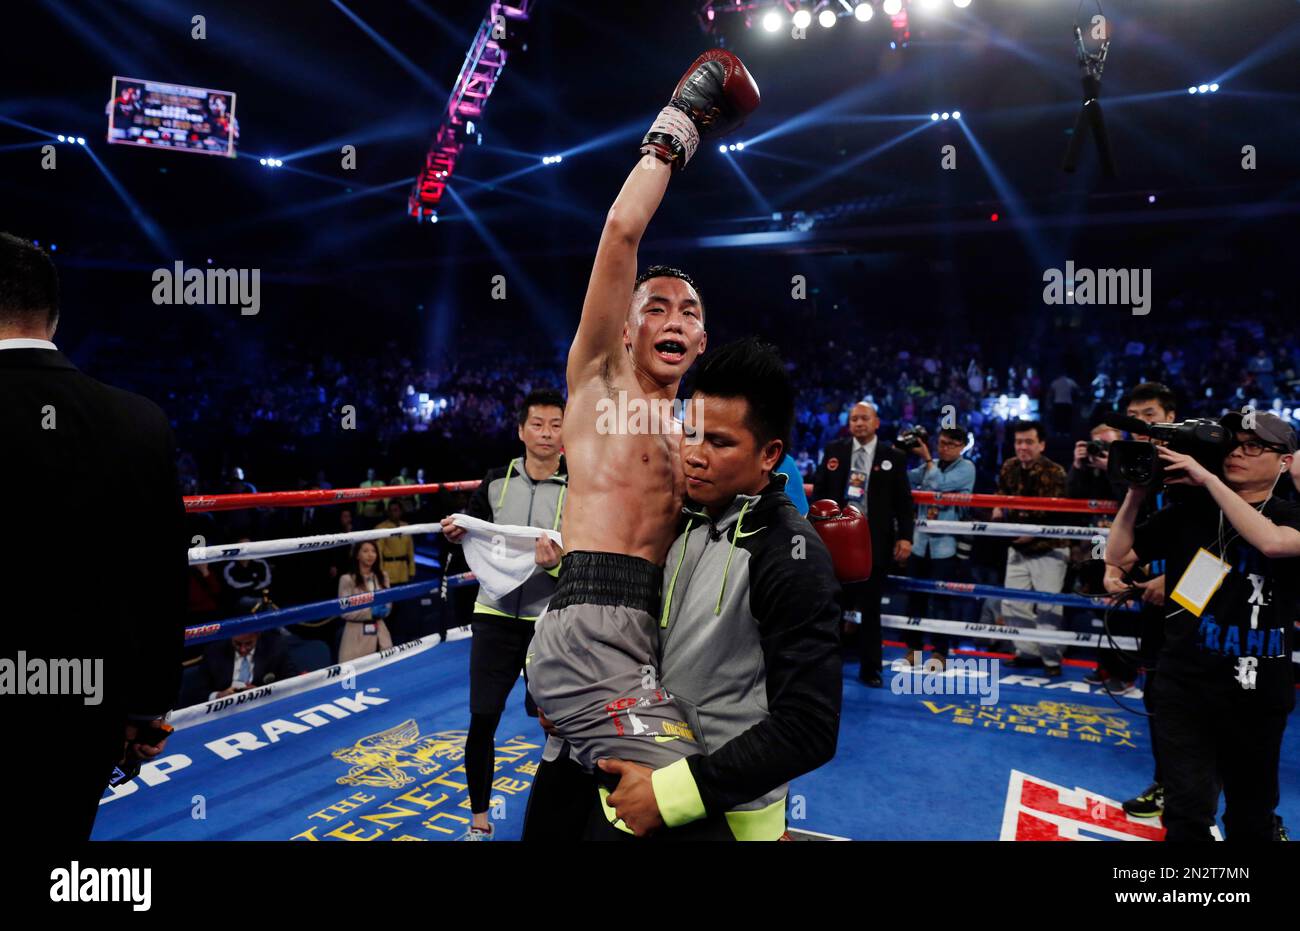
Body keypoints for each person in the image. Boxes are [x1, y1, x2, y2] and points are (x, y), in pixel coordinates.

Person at [525, 49, 760, 774]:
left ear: (700, 341)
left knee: (581, 793)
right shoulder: (598, 384)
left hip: (659, 628)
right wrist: (680, 126)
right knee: (684, 792)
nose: (671, 317)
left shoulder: (698, 429)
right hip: (589, 629)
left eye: (687, 311)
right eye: (653, 306)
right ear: (625, 330)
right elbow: (622, 233)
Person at [524, 339, 844, 841]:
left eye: (718, 443)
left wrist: (676, 793)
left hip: (724, 816)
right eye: (689, 433)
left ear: (769, 454)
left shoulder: (790, 555)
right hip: (637, 778)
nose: (694, 454)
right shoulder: (683, 525)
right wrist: (570, 696)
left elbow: (809, 727)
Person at [0, 233, 187, 841]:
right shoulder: (138, 421)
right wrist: (145, 708)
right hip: (84, 712)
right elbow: (162, 574)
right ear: (53, 314)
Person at [1103, 412, 1297, 840]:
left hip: (1259, 693)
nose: (1238, 452)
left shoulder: (1291, 515)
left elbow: (1271, 542)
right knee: (1186, 813)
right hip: (1186, 686)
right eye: (1235, 443)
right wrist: (1136, 493)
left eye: (1254, 446)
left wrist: (1211, 481)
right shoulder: (1191, 511)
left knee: (1252, 815)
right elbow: (1118, 555)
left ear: (1284, 461)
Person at [440, 388, 567, 841]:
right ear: (521, 430)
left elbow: (586, 557)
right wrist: (458, 534)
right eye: (538, 424)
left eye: (555, 425)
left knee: (557, 722)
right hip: (493, 615)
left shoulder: (580, 490)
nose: (547, 433)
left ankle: (560, 816)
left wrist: (555, 565)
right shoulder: (495, 481)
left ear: (566, 433)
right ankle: (478, 822)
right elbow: (469, 528)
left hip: (548, 621)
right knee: (483, 718)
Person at [811, 401, 914, 686]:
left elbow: (904, 502)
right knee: (831, 606)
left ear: (876, 422)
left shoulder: (892, 455)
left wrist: (906, 536)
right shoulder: (835, 451)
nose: (859, 423)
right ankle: (825, 667)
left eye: (864, 418)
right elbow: (819, 492)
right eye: (854, 418)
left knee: (871, 609)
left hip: (874, 542)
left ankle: (871, 669)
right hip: (837, 541)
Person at [994, 420, 1069, 677]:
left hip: (1050, 548)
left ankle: (1051, 658)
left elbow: (1056, 513)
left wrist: (1030, 532)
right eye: (1019, 442)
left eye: (1028, 442)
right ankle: (1026, 653)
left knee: (1048, 606)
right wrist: (997, 511)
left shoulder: (1055, 471)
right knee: (1013, 604)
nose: (1023, 447)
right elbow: (1001, 495)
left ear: (1041, 444)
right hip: (1017, 547)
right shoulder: (1009, 467)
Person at [902, 426, 976, 668]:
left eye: (950, 444)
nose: (943, 448)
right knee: (915, 598)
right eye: (941, 442)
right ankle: (913, 648)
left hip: (945, 545)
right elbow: (907, 479)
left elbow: (939, 486)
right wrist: (899, 452)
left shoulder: (966, 468)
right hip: (920, 542)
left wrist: (926, 459)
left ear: (961, 447)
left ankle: (940, 652)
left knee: (941, 600)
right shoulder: (929, 464)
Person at [198, 629, 299, 700]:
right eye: (237, 644)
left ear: (257, 635)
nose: (242, 649)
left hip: (262, 704)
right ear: (231, 637)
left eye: (248, 643)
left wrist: (262, 692)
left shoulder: (274, 647)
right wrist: (218, 696)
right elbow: (198, 691)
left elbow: (291, 679)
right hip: (225, 709)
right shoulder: (214, 651)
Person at [337, 541, 392, 662]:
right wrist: (369, 612)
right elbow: (344, 611)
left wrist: (384, 611)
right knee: (355, 678)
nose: (370, 555)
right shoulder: (347, 579)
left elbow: (388, 606)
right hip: (355, 637)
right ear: (357, 555)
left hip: (380, 635)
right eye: (365, 551)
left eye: (373, 551)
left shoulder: (383, 576)